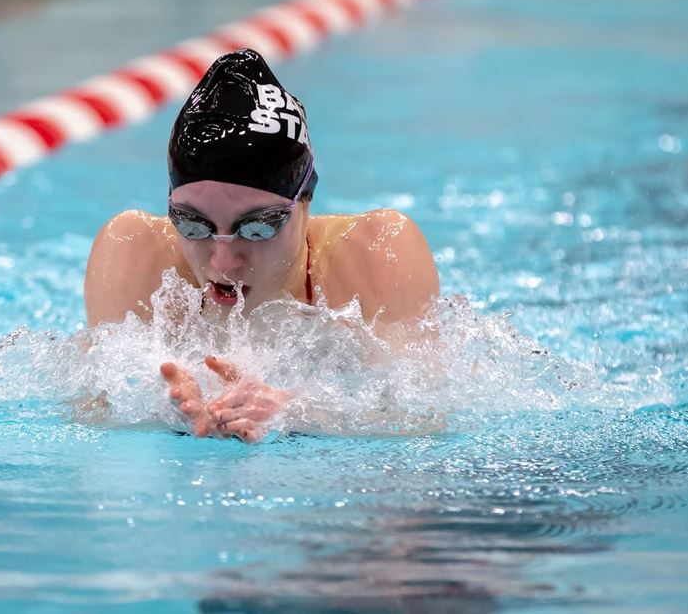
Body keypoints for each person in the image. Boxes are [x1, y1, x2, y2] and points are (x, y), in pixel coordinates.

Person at [83, 48, 439, 442]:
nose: (223, 263)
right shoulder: (136, 252)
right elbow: (90, 410)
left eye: (257, 229)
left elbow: (426, 419)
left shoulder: (373, 253)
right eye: (193, 225)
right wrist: (161, 409)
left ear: (305, 201)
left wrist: (297, 412)